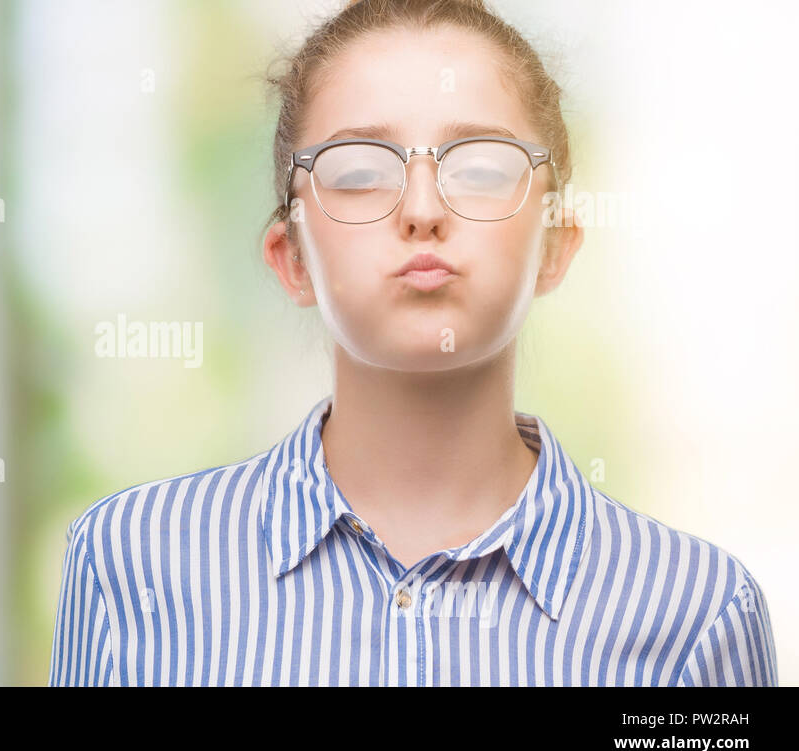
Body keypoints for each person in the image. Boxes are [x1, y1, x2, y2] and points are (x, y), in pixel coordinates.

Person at [48, 0, 777, 686]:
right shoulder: (129, 566)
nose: (423, 209)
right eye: (361, 171)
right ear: (292, 257)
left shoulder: (697, 615)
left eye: (482, 166)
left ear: (556, 244)